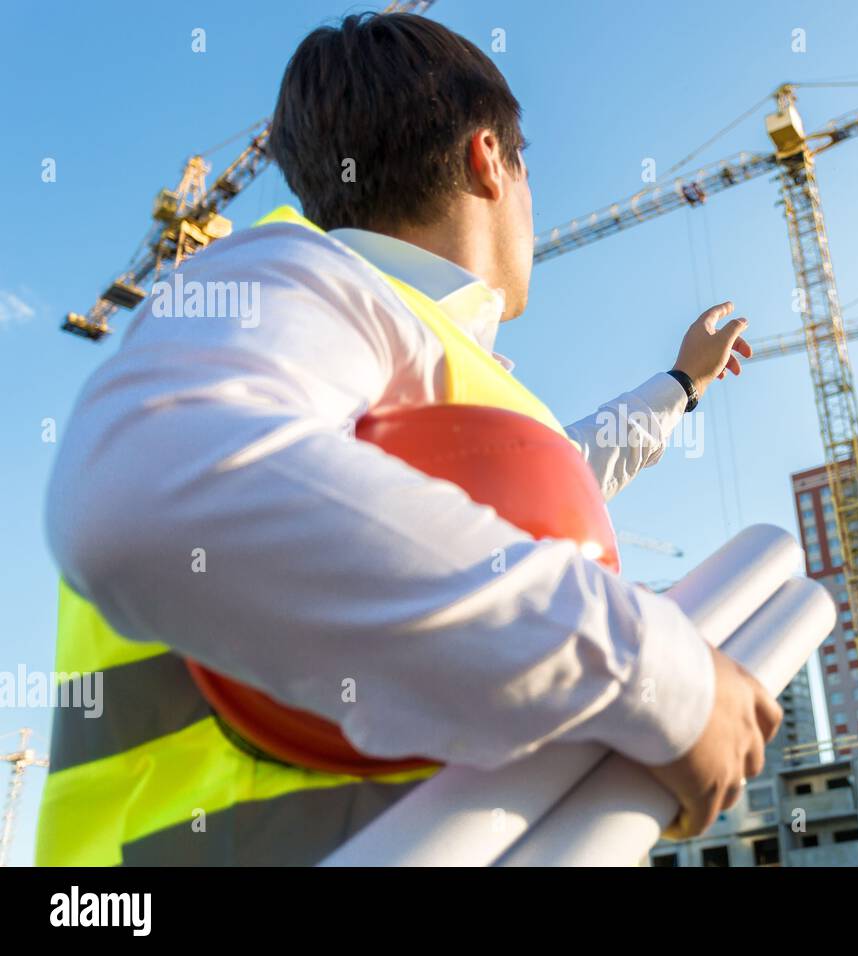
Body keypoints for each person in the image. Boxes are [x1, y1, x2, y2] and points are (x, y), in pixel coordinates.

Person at [38, 11, 779, 866]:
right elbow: (152, 487)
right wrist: (656, 673)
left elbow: (537, 490)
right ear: (489, 159)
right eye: (528, 163)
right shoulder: (301, 274)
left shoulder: (427, 348)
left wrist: (679, 388)